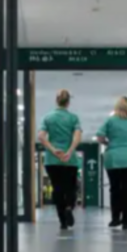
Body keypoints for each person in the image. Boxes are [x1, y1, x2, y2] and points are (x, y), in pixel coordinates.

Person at [96, 96, 127, 231]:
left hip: (114, 158)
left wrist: (108, 143)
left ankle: (115, 219)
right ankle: (126, 222)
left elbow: (100, 137)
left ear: (117, 107)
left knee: (115, 189)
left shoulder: (110, 121)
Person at [37, 89, 83, 230]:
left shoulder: (48, 118)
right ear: (68, 102)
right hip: (70, 160)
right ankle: (69, 206)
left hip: (52, 160)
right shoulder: (73, 118)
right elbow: (77, 137)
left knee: (57, 188)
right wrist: (69, 151)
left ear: (56, 101)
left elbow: (41, 137)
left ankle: (62, 221)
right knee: (71, 187)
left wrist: (53, 150)